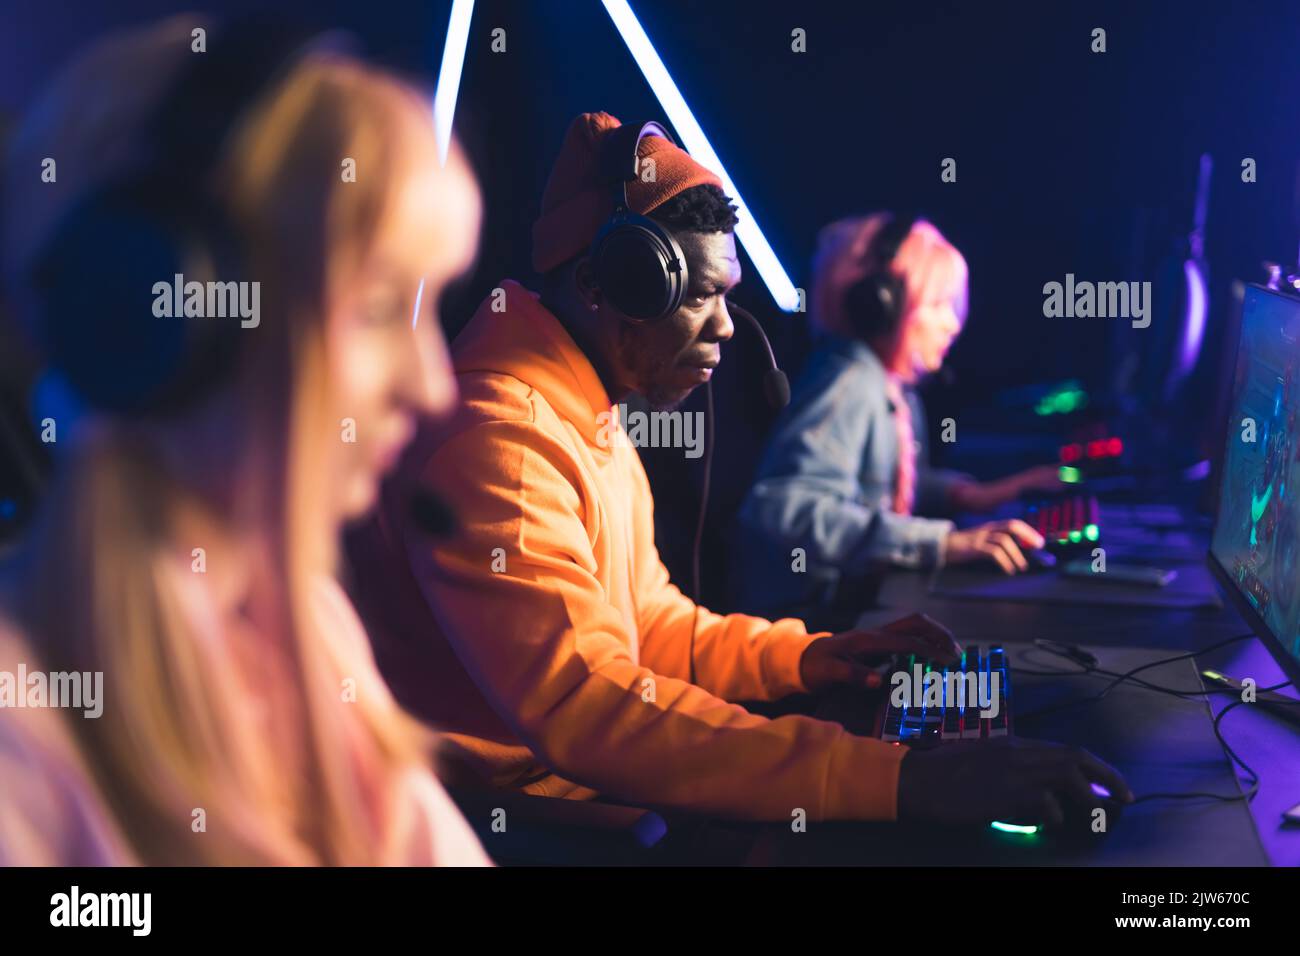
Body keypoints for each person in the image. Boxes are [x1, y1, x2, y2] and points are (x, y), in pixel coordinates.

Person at [348, 113, 1131, 827]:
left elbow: (649, 628)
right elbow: (591, 707)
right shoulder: (505, 448)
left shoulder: (583, 413)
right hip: (547, 828)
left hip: (599, 794)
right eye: (704, 296)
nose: (727, 326)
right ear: (607, 284)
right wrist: (904, 782)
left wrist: (804, 656)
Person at [0, 16, 489, 865]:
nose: (433, 386)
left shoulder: (308, 626)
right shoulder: (21, 744)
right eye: (377, 310)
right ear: (162, 313)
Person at [734, 214, 1062, 619]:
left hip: (855, 604)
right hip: (815, 620)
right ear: (883, 307)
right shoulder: (849, 383)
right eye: (939, 305)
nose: (953, 324)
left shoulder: (892, 387)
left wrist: (973, 495)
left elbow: (888, 484)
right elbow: (782, 508)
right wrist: (940, 543)